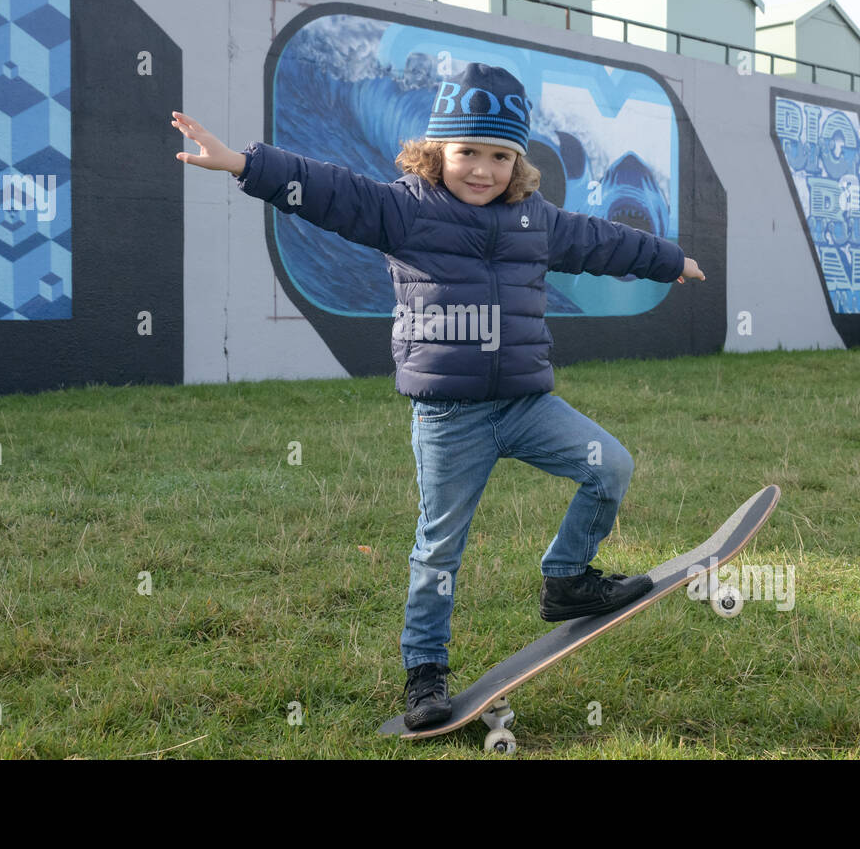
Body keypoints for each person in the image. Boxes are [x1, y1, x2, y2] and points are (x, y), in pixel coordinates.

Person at [170, 62, 704, 730]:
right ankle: (425, 673)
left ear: (519, 161)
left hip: (525, 405)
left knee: (610, 465)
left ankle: (567, 577)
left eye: (500, 156)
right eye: (467, 152)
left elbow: (601, 241)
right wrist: (243, 163)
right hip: (451, 419)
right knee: (438, 550)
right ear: (437, 151)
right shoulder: (403, 208)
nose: (482, 170)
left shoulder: (534, 219)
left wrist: (664, 258)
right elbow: (330, 191)